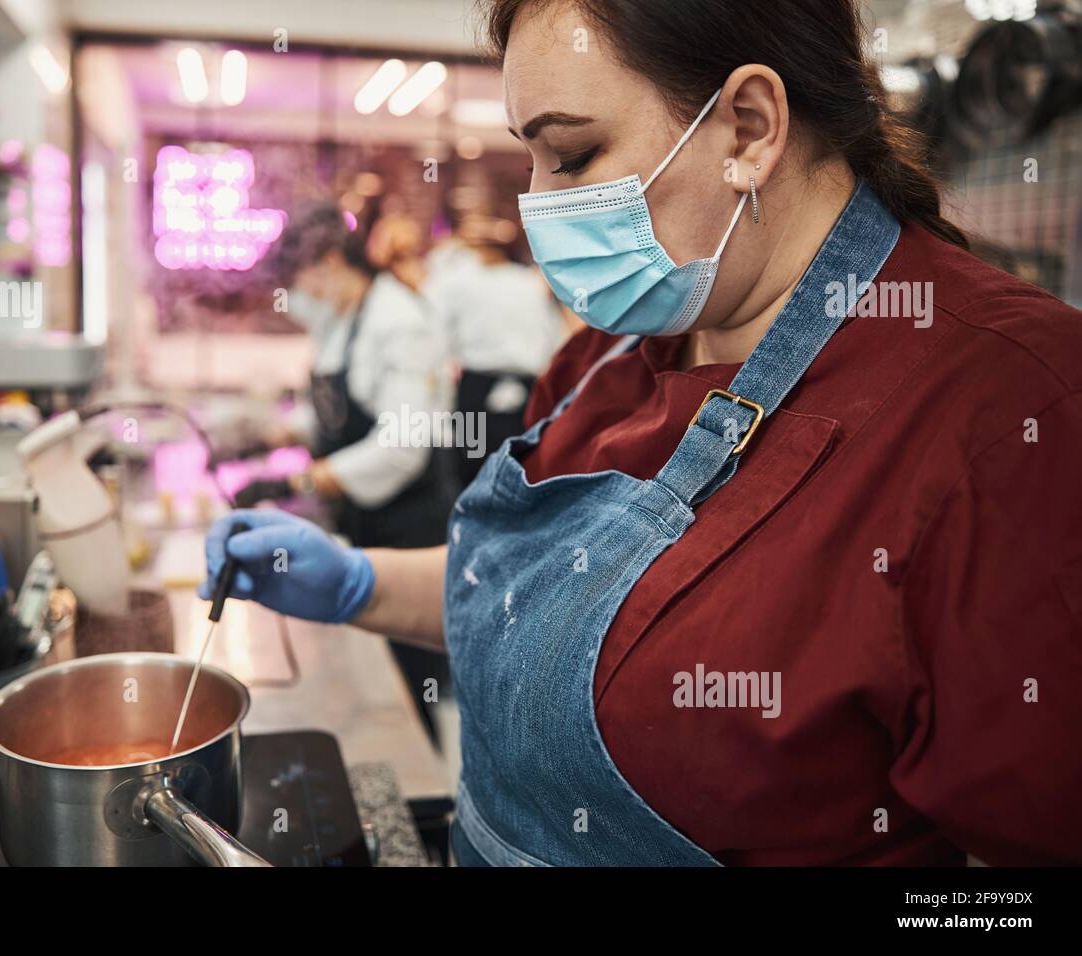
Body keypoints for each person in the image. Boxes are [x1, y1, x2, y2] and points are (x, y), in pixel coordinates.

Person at [202, 0, 1082, 866]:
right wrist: (360, 584)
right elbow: (564, 610)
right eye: (533, 159)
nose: (537, 206)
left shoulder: (1013, 411)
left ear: (747, 128)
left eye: (573, 154)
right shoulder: (608, 357)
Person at [267, 201, 455, 740]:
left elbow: (400, 447)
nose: (296, 294)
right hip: (364, 518)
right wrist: (273, 431)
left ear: (328, 262)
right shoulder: (343, 319)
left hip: (409, 526)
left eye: (297, 278)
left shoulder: (399, 321)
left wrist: (299, 481)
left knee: (407, 684)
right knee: (367, 670)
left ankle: (419, 803)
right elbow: (333, 411)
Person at [423, 215, 573, 485]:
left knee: (470, 475)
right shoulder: (529, 283)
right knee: (520, 470)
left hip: (478, 391)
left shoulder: (460, 282)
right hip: (524, 390)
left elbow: (434, 339)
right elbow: (555, 342)